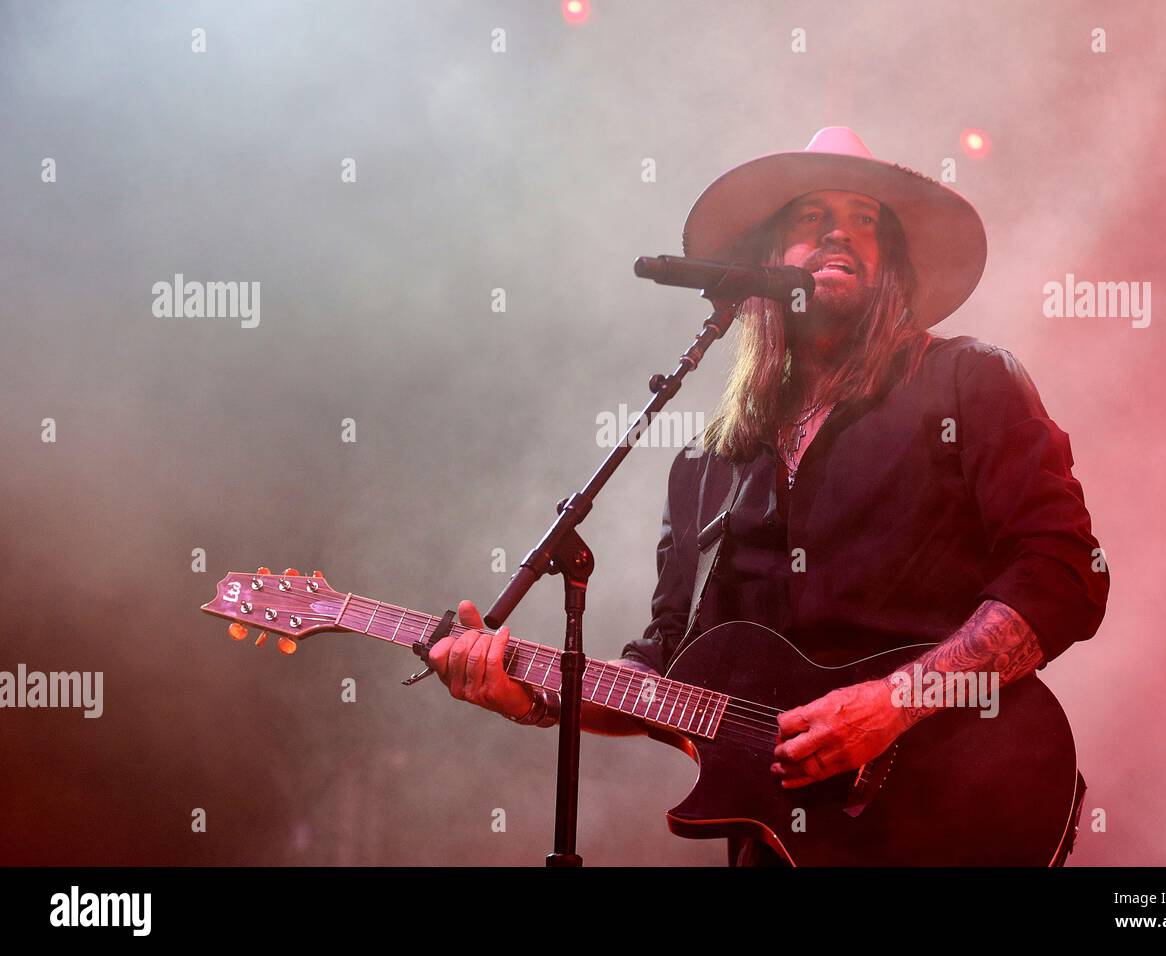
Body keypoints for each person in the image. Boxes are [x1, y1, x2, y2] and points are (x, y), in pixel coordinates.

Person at [426, 128, 1110, 865]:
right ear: (764, 262)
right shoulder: (707, 466)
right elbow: (662, 673)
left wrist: (891, 704)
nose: (839, 233)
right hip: (778, 847)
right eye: (812, 217)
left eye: (864, 219)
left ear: (891, 265)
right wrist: (534, 696)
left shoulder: (969, 382)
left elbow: (1064, 574)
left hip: (958, 813)